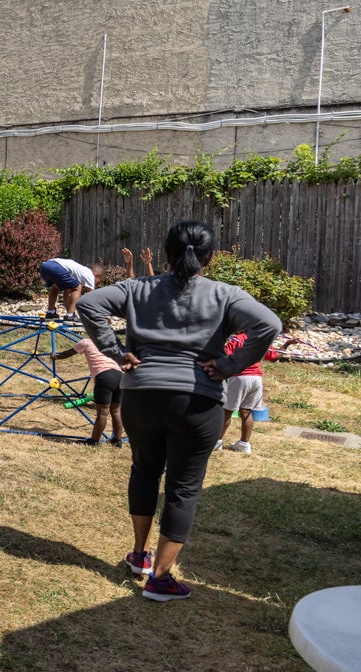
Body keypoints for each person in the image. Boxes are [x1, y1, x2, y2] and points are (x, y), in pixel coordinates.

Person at [76, 221, 280, 601]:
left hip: (141, 396)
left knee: (144, 470)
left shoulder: (137, 288)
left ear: (166, 254)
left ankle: (139, 556)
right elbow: (269, 324)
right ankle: (160, 578)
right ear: (211, 257)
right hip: (197, 401)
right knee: (182, 489)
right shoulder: (225, 294)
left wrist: (117, 352)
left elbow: (88, 304)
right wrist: (230, 365)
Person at [216, 333, 295, 454]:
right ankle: (244, 444)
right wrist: (286, 344)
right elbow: (274, 357)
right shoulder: (261, 339)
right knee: (247, 412)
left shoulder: (237, 339)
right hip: (256, 379)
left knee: (227, 411)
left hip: (240, 378)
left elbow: (225, 358)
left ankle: (216, 442)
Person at [50, 339, 125, 446]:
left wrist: (55, 356)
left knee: (103, 412)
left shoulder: (86, 342)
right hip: (119, 375)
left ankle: (94, 441)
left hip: (104, 376)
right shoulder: (110, 341)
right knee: (116, 411)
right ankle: (117, 440)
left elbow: (68, 353)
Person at [39, 258, 104, 324]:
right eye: (98, 282)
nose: (96, 284)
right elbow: (92, 296)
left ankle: (51, 313)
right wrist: (99, 315)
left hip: (45, 266)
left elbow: (66, 293)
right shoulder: (90, 274)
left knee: (55, 287)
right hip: (57, 267)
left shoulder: (76, 271)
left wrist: (69, 311)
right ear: (96, 274)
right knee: (77, 287)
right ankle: (70, 316)